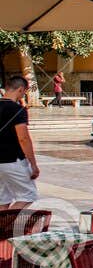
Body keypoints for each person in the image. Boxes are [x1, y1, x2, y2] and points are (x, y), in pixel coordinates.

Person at [0, 76, 40, 204]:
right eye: (25, 92)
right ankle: (11, 217)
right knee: (27, 196)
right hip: (12, 159)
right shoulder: (17, 110)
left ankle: (6, 218)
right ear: (21, 89)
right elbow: (23, 138)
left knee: (3, 199)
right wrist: (33, 164)